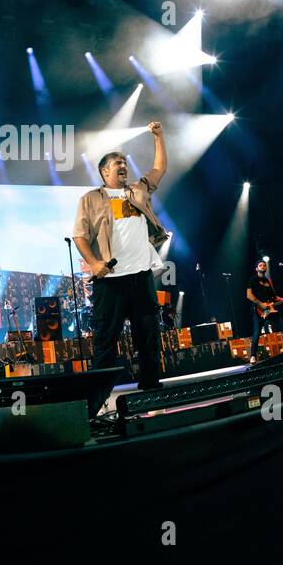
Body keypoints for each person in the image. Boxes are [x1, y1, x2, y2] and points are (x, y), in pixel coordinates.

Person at [71, 121, 168, 390]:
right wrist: (94, 263)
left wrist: (158, 137)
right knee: (105, 342)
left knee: (148, 338)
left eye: (124, 162)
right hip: (111, 281)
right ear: (104, 171)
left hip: (140, 277)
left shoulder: (138, 190)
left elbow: (159, 168)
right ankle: (98, 399)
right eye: (117, 163)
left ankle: (151, 389)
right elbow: (80, 235)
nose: (123, 165)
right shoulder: (90, 199)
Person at [246, 260, 283, 354]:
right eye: (260, 265)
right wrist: (261, 304)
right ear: (256, 268)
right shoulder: (253, 279)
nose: (263, 266)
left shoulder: (269, 281)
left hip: (270, 309)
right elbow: (249, 295)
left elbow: (275, 297)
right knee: (257, 332)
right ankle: (253, 355)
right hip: (258, 310)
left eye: (264, 265)